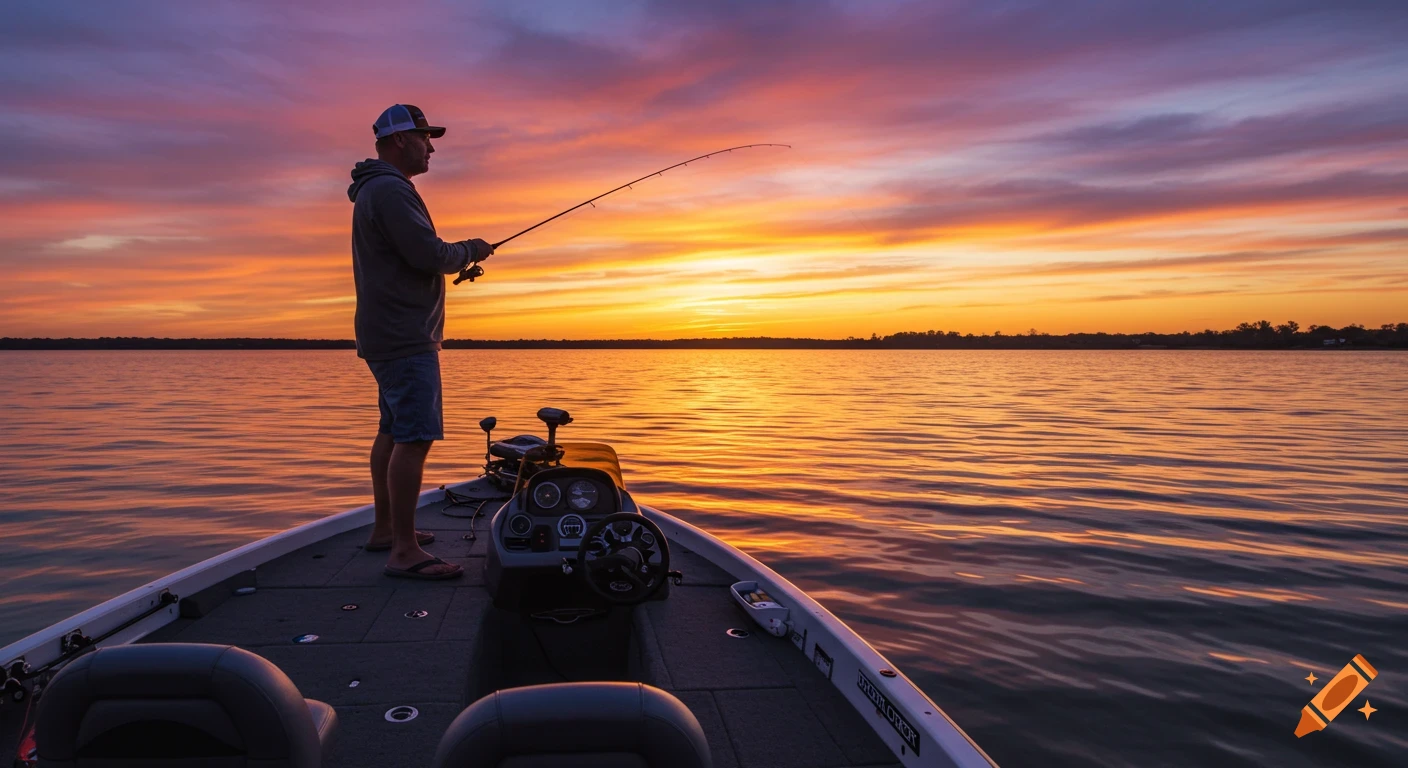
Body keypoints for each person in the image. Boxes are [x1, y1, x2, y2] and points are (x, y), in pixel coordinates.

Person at [347, 104, 493, 580]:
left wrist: (450, 260)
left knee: (392, 430)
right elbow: (428, 253)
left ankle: (387, 530)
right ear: (397, 141)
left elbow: (414, 259)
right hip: (405, 335)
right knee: (415, 436)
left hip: (386, 331)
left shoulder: (377, 190)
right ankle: (404, 552)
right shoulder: (390, 190)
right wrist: (469, 249)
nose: (431, 147)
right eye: (425, 137)